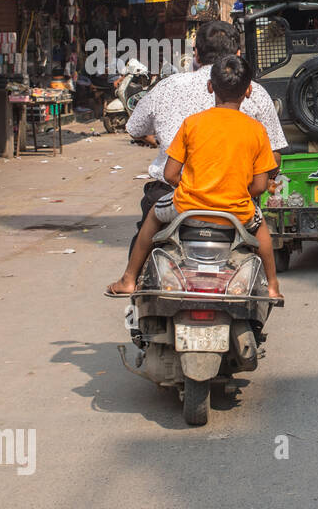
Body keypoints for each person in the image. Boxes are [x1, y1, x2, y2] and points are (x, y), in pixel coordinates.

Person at [107, 55, 282, 300]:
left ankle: (128, 279)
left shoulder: (192, 123)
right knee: (261, 228)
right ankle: (273, 286)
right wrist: (235, 192)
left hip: (186, 208)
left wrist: (194, 186)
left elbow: (169, 174)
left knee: (154, 215)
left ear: (211, 87)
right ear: (249, 90)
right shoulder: (256, 130)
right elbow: (260, 185)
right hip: (236, 213)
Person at [125, 20, 286, 253]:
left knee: (146, 239)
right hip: (235, 200)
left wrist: (161, 143)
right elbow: (274, 157)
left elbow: (135, 128)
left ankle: (130, 279)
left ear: (197, 54)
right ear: (238, 55)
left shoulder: (168, 88)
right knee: (257, 248)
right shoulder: (255, 93)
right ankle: (270, 286)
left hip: (175, 196)